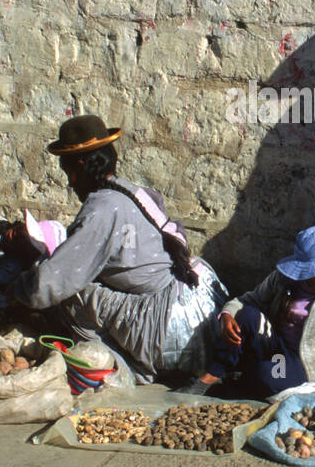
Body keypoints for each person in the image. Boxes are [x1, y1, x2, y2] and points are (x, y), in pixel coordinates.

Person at [11, 114, 229, 383]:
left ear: (80, 166)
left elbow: (52, 284)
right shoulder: (135, 192)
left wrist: (16, 287)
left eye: (69, 174)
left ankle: (120, 368)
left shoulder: (102, 209)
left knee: (71, 296)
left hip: (171, 329)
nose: (70, 183)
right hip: (201, 316)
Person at [188, 225, 315, 399]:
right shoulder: (282, 281)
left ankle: (245, 378)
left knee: (268, 376)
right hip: (277, 347)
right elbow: (249, 299)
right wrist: (227, 315)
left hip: (304, 362)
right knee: (245, 315)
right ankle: (212, 375)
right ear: (307, 270)